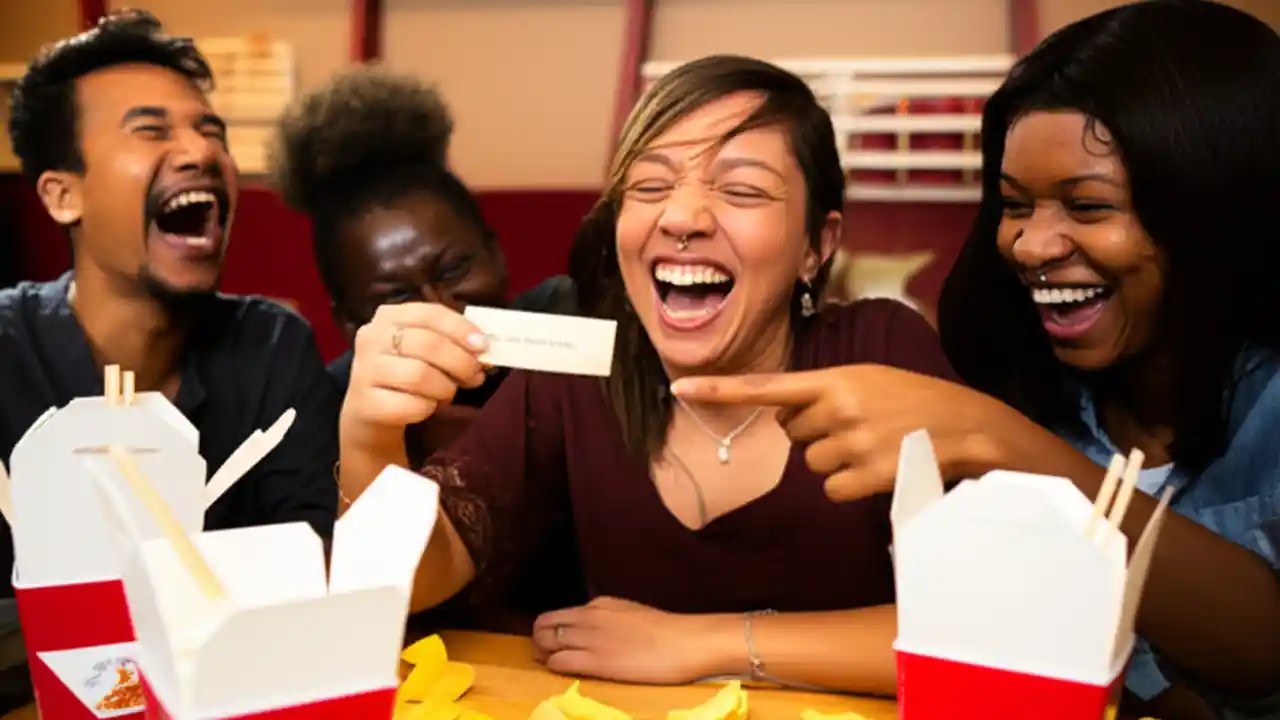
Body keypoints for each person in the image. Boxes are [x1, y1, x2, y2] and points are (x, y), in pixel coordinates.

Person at [677, 2, 1280, 718]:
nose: (1031, 245)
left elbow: (1262, 651)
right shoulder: (1013, 371)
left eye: (1088, 207)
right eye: (1014, 205)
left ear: (1217, 209)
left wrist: (1000, 441)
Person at [337, 54, 956, 692]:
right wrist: (368, 436)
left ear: (816, 247)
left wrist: (701, 644)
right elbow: (410, 580)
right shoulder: (577, 377)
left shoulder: (883, 349)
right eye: (652, 187)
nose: (681, 218)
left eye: (742, 190)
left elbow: (981, 627)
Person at [0, 10, 339, 590]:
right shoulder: (7, 353)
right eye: (152, 131)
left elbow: (308, 572)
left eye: (212, 133)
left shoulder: (272, 351)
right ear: (62, 196)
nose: (200, 152)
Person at [269, 68, 576, 462]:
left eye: (454, 270)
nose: (440, 310)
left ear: (495, 254)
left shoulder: (567, 323)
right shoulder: (331, 411)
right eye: (398, 296)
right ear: (348, 324)